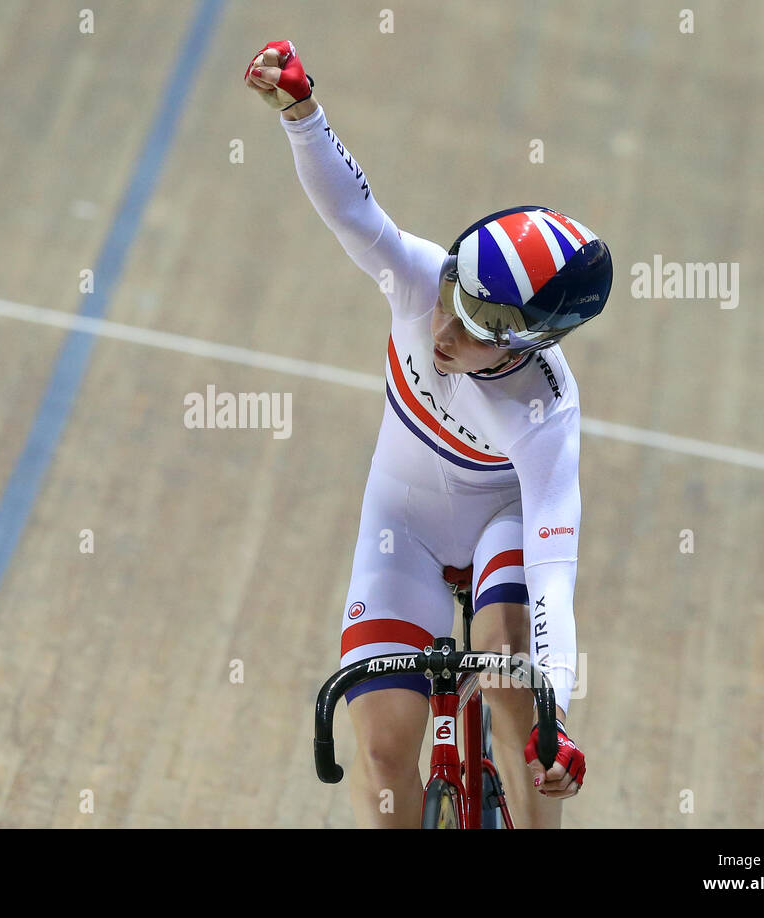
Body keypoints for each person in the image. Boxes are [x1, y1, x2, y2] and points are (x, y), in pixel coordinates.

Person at [245, 41, 609, 828]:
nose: (441, 331)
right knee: (380, 756)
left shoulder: (546, 410)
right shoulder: (415, 280)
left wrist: (559, 723)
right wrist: (304, 116)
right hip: (400, 524)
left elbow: (552, 574)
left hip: (500, 527)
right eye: (449, 300)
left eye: (474, 332)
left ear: (523, 346)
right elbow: (354, 213)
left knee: (510, 676)